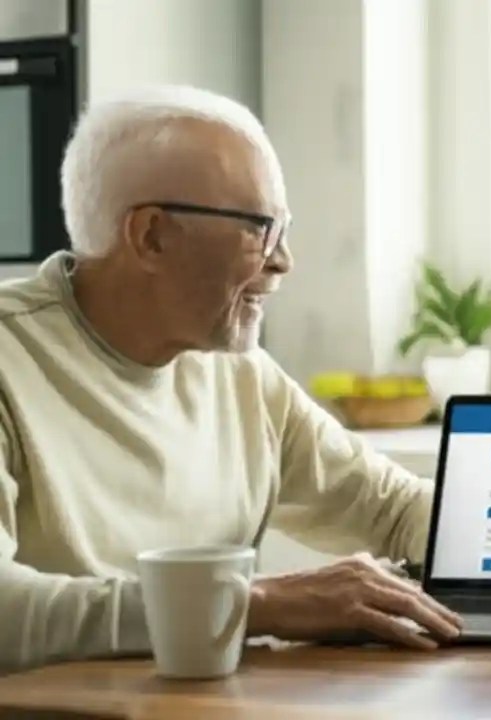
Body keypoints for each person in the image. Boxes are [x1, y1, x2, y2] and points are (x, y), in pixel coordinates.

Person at [0, 85, 461, 674]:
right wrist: (256, 605)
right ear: (151, 235)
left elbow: (394, 510)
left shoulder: (240, 374)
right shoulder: (13, 363)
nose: (283, 260)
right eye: (259, 228)